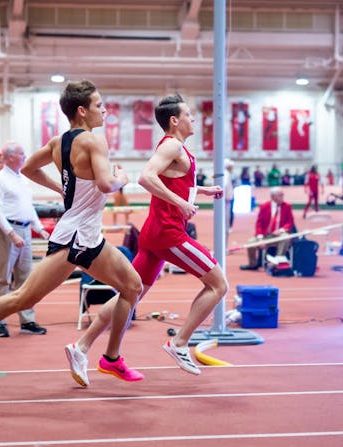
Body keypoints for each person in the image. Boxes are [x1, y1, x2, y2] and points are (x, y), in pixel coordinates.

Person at [0, 79, 142, 383]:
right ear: (82, 111)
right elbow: (105, 184)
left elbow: (29, 169)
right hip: (76, 239)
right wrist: (122, 177)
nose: (105, 111)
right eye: (100, 105)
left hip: (86, 236)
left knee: (133, 286)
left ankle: (111, 358)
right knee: (23, 299)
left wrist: (61, 187)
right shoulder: (94, 141)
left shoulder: (58, 143)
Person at [67, 93, 226, 385]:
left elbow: (171, 180)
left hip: (155, 233)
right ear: (175, 120)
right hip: (167, 233)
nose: (194, 120)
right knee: (219, 284)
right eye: (189, 115)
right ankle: (179, 343)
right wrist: (180, 204)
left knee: (131, 294)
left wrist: (201, 191)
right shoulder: (173, 145)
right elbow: (146, 177)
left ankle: (82, 346)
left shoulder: (177, 149)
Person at [0, 141, 51, 338]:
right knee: (3, 278)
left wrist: (40, 229)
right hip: (8, 232)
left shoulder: (22, 179)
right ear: (10, 157)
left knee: (25, 278)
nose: (25, 156)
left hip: (24, 230)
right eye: (21, 154)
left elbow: (28, 207)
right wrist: (11, 234)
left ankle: (27, 320)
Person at [241, 187, 295, 270]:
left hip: (279, 235)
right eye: (280, 195)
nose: (282, 197)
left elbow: (290, 222)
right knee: (250, 243)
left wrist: (281, 230)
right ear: (273, 197)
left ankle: (278, 261)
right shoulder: (264, 206)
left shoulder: (287, 206)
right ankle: (253, 264)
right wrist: (260, 239)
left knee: (285, 238)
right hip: (266, 235)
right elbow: (259, 223)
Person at [224, 158, 235, 229]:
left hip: (227, 197)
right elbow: (224, 185)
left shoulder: (226, 173)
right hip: (226, 198)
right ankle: (227, 227)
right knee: (227, 214)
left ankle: (227, 226)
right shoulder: (226, 174)